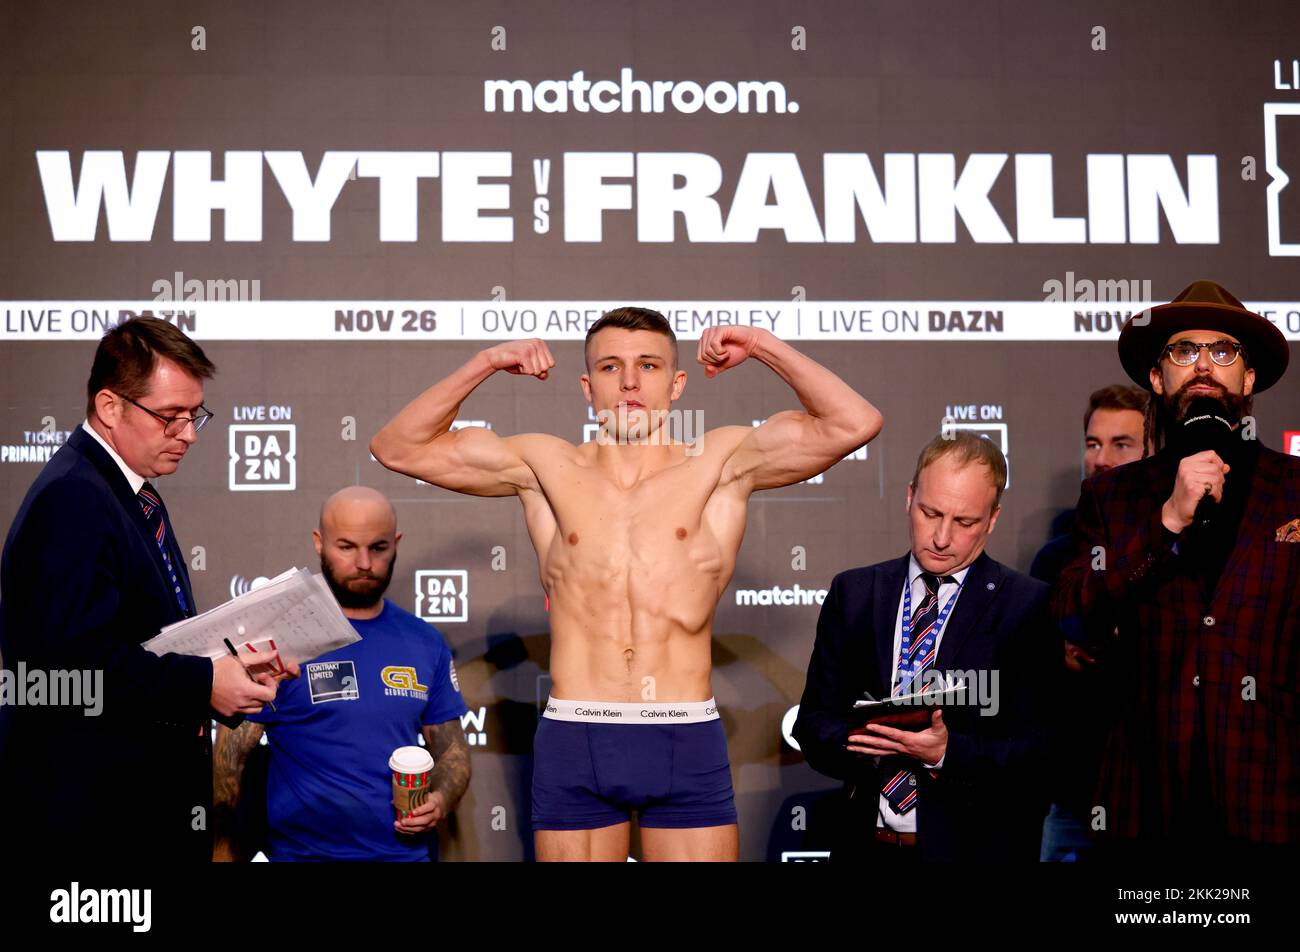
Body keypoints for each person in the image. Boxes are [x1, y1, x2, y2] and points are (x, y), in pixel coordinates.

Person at [371, 307, 882, 861]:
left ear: (677, 383)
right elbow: (398, 447)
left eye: (649, 365)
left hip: (683, 732)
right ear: (588, 387)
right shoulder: (544, 465)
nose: (631, 382)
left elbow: (853, 422)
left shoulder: (722, 462)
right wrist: (488, 361)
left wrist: (762, 344)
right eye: (611, 367)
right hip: (578, 733)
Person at [0, 317, 293, 862]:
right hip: (94, 828)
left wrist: (231, 666)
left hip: (127, 813)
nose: (189, 434)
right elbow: (66, 670)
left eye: (194, 415)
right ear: (110, 408)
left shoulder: (121, 492)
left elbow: (144, 642)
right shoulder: (74, 499)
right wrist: (204, 682)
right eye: (170, 417)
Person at [1054, 280, 1299, 860]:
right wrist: (1166, 524)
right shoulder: (1112, 497)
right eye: (1184, 352)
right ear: (1158, 379)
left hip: (1273, 805)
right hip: (1144, 806)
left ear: (1250, 378)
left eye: (1224, 351)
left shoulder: (1296, 490)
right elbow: (1074, 616)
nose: (1204, 366)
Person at [794, 432, 1059, 862]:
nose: (941, 537)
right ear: (909, 497)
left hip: (974, 851)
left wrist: (946, 753)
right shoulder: (855, 592)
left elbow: (1044, 752)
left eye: (965, 522)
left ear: (992, 519)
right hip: (866, 848)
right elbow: (813, 723)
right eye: (930, 512)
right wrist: (867, 742)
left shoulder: (1026, 605)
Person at [213, 486, 470, 862]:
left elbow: (452, 751)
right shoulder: (276, 642)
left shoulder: (424, 641)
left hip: (404, 857)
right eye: (347, 547)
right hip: (302, 855)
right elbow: (231, 756)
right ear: (319, 543)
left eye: (378, 547)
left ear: (396, 543)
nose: (364, 562)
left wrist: (441, 799)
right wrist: (222, 852)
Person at [1032, 383, 1149, 861]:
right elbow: (1022, 678)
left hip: (1155, 800)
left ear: (1155, 452)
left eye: (1121, 444)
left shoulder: (1186, 555)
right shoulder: (1056, 558)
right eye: (1092, 443)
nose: (1100, 459)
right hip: (1072, 798)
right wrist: (1056, 656)